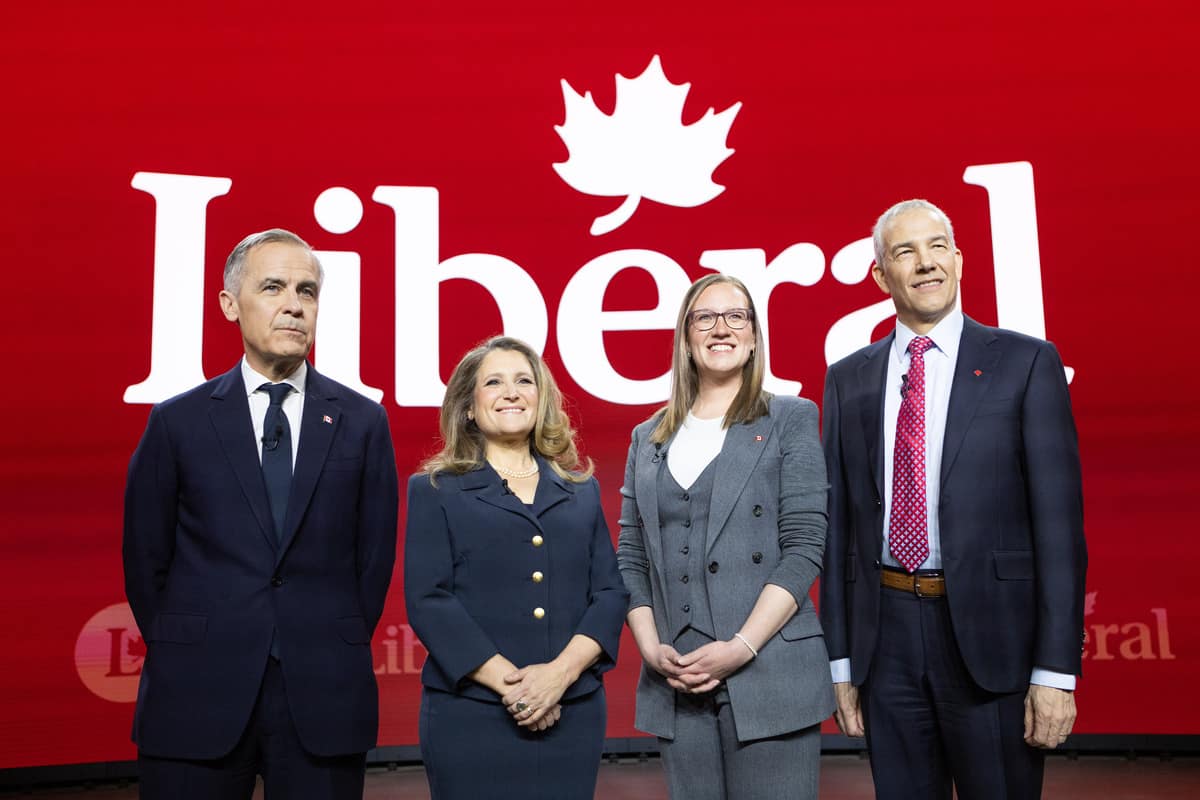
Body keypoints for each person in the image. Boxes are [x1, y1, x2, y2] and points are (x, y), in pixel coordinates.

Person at [819, 199, 1088, 799]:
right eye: (904, 252)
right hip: (884, 642)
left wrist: (1055, 672)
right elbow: (840, 533)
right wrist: (842, 664)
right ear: (880, 276)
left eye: (937, 246)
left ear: (960, 261)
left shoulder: (1024, 363)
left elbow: (1059, 532)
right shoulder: (848, 378)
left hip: (995, 643)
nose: (925, 264)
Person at [122, 229, 399, 799]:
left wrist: (320, 636)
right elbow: (145, 559)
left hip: (322, 692)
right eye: (272, 287)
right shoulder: (177, 423)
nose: (294, 304)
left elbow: (372, 562)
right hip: (195, 690)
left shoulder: (362, 423)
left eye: (307, 290)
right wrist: (191, 642)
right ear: (230, 304)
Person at [616, 274, 834, 799]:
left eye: (736, 316)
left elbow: (804, 547)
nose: (721, 328)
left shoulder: (790, 418)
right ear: (686, 338)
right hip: (678, 679)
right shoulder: (647, 438)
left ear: (755, 336)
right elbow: (631, 554)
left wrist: (740, 647)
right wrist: (651, 646)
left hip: (770, 674)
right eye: (704, 318)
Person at [403, 336, 628, 800]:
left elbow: (609, 594)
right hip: (471, 716)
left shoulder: (579, 489)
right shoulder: (435, 490)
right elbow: (429, 600)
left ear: (540, 398)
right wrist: (519, 688)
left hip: (573, 712)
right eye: (494, 382)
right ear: (468, 406)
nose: (511, 392)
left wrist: (558, 676)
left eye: (524, 380)